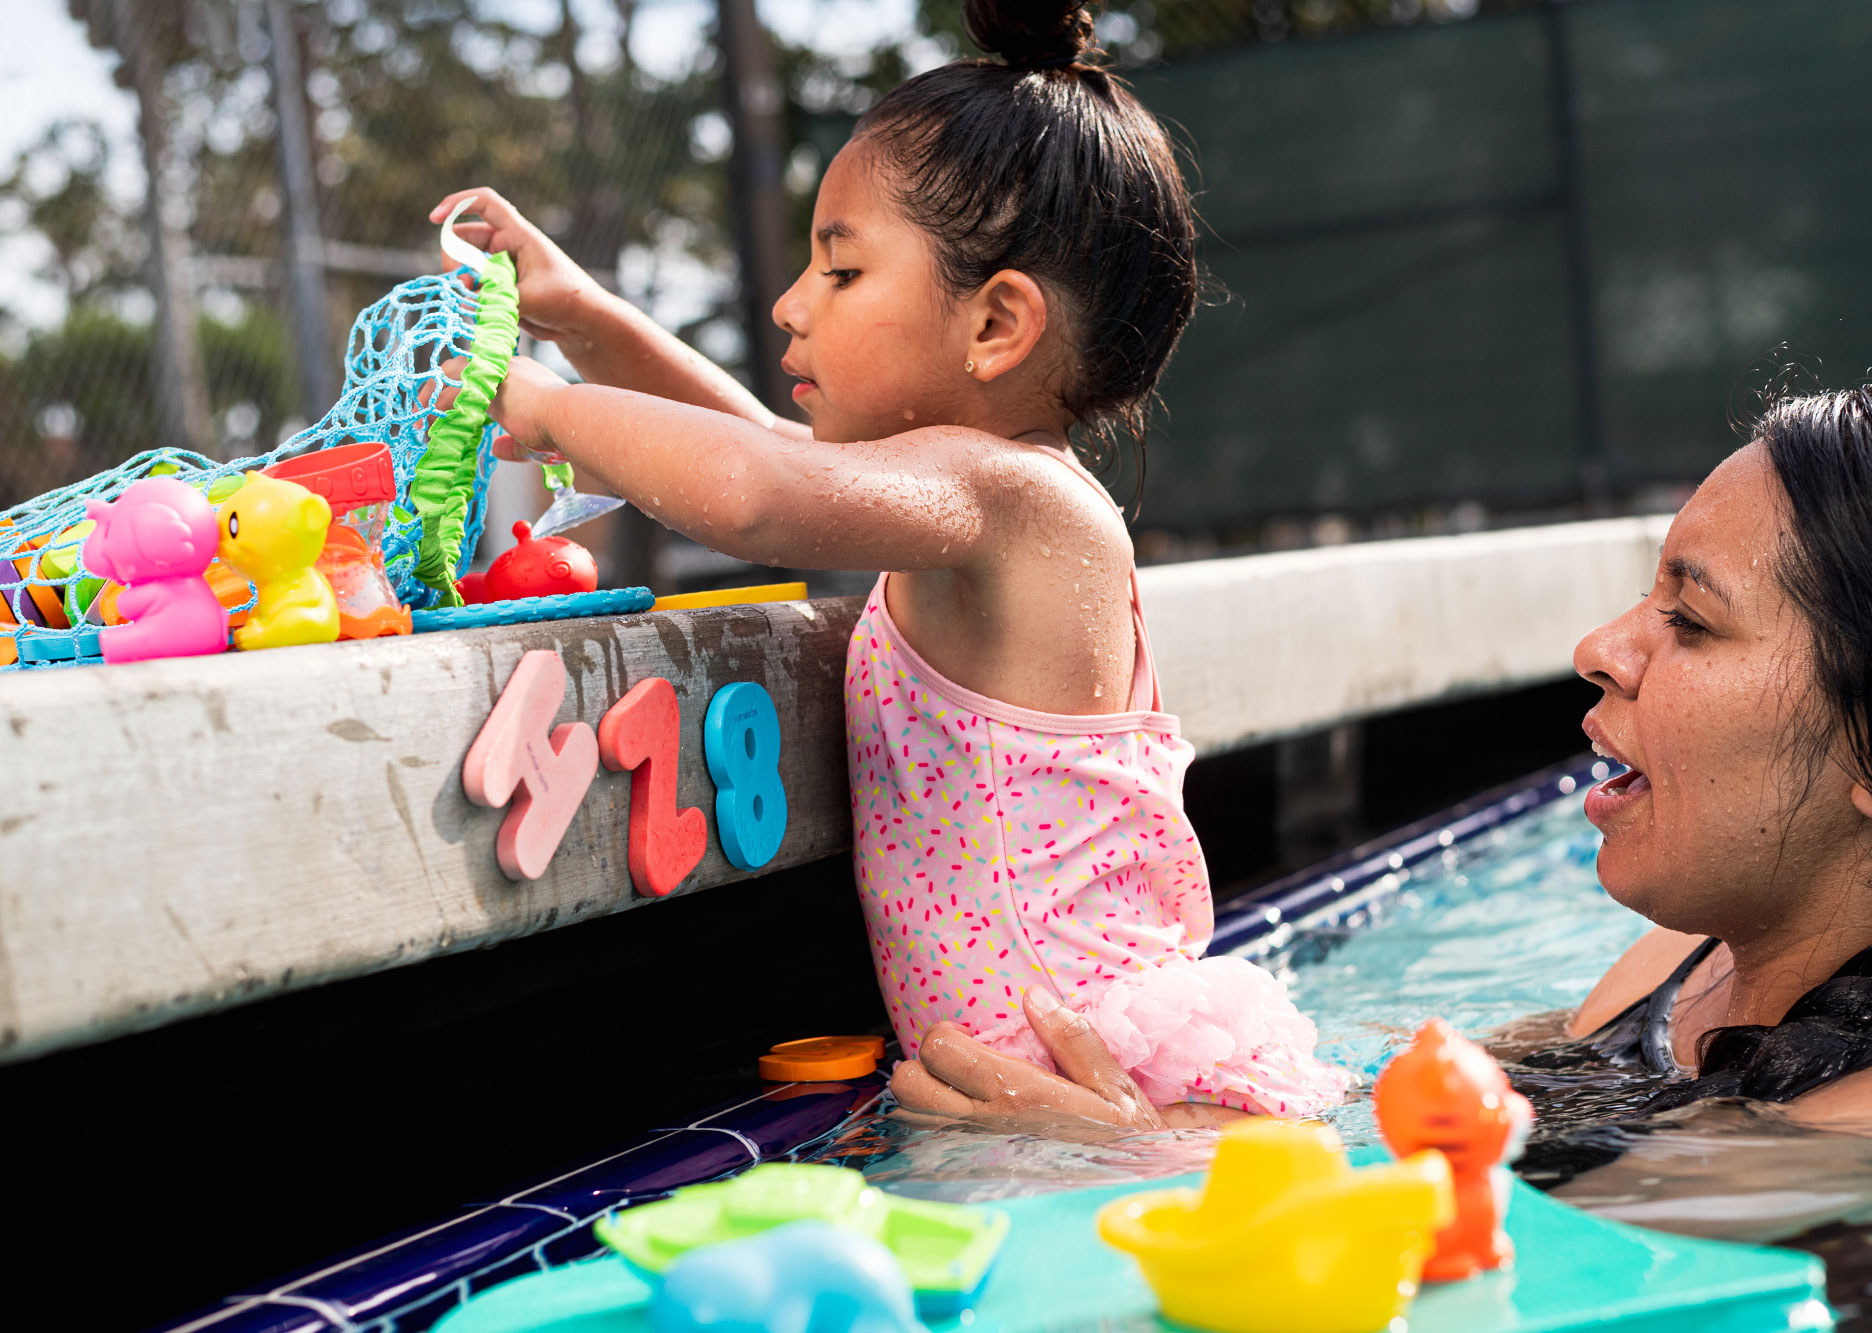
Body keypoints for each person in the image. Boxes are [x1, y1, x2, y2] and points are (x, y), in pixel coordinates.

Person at [433, 1, 1348, 1121]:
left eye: (840, 271)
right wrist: (582, 316)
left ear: (994, 325)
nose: (788, 303)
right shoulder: (965, 497)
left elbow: (756, 492)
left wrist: (539, 402)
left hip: (1112, 1106)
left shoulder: (1017, 498)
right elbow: (759, 444)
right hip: (1043, 1097)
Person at [892, 380, 1872, 1130]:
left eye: (1692, 621)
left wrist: (1126, 1152)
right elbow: (1408, 1104)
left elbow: (1518, 1263)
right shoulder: (1684, 957)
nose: (1598, 649)